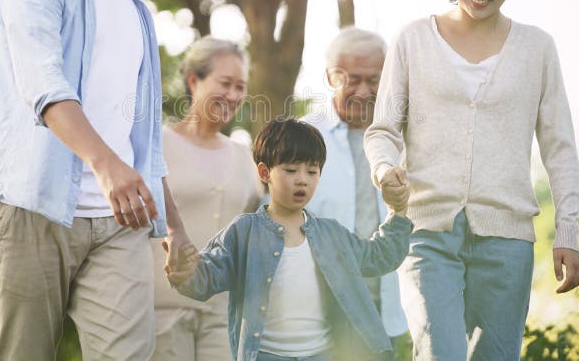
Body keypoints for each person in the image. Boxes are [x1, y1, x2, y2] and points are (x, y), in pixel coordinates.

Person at [0, 0, 195, 360]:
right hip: (32, 209)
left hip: (120, 225)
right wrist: (105, 164)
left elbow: (141, 137)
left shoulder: (137, 8)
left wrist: (175, 227)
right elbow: (43, 84)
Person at [364, 0, 579, 360]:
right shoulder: (413, 40)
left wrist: (567, 231)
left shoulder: (538, 48)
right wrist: (384, 169)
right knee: (439, 352)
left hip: (506, 237)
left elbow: (559, 148)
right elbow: (382, 129)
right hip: (425, 229)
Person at [165, 118, 412, 361]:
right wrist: (186, 270)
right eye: (291, 170)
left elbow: (379, 256)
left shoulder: (331, 234)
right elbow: (207, 277)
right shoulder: (244, 231)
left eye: (312, 171)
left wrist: (398, 211)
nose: (302, 179)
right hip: (265, 355)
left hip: (323, 354)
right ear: (265, 173)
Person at [151, 37, 262, 361]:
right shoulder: (157, 145)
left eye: (240, 87)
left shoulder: (245, 156)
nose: (233, 95)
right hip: (161, 312)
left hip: (223, 315)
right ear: (193, 81)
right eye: (225, 83)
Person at [302, 27, 409, 343]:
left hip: (394, 310)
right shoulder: (302, 136)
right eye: (352, 80)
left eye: (373, 80)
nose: (363, 91)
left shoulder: (407, 140)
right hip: (321, 314)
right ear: (330, 77)